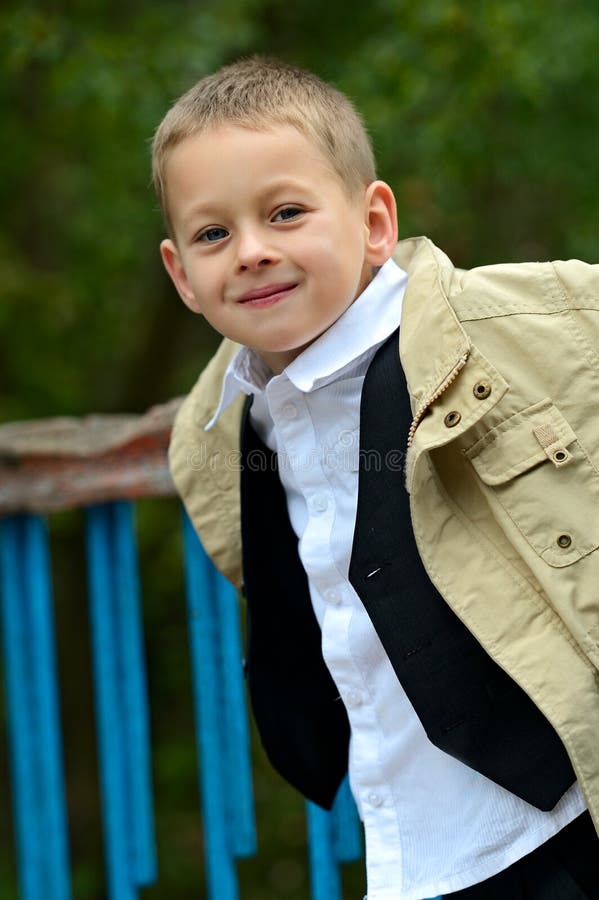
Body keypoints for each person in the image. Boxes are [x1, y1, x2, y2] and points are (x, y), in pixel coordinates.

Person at [152, 56, 599, 898]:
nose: (251, 252)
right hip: (412, 848)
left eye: (285, 213)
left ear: (373, 222)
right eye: (213, 235)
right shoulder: (219, 430)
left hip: (567, 823)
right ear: (181, 274)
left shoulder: (534, 323)